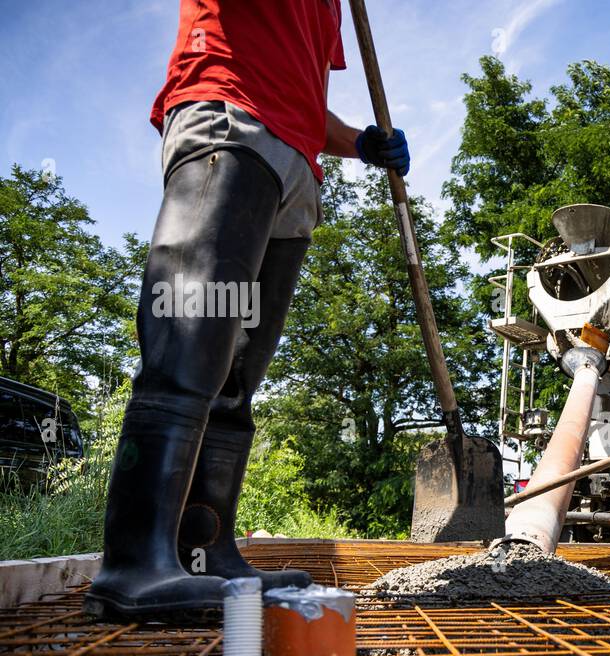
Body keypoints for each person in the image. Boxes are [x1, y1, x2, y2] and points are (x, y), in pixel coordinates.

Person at [85, 0, 410, 622]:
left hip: (295, 168)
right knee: (191, 337)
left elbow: (299, 92)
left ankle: (205, 553)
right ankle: (133, 566)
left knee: (235, 375)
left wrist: (361, 143)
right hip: (230, 124)